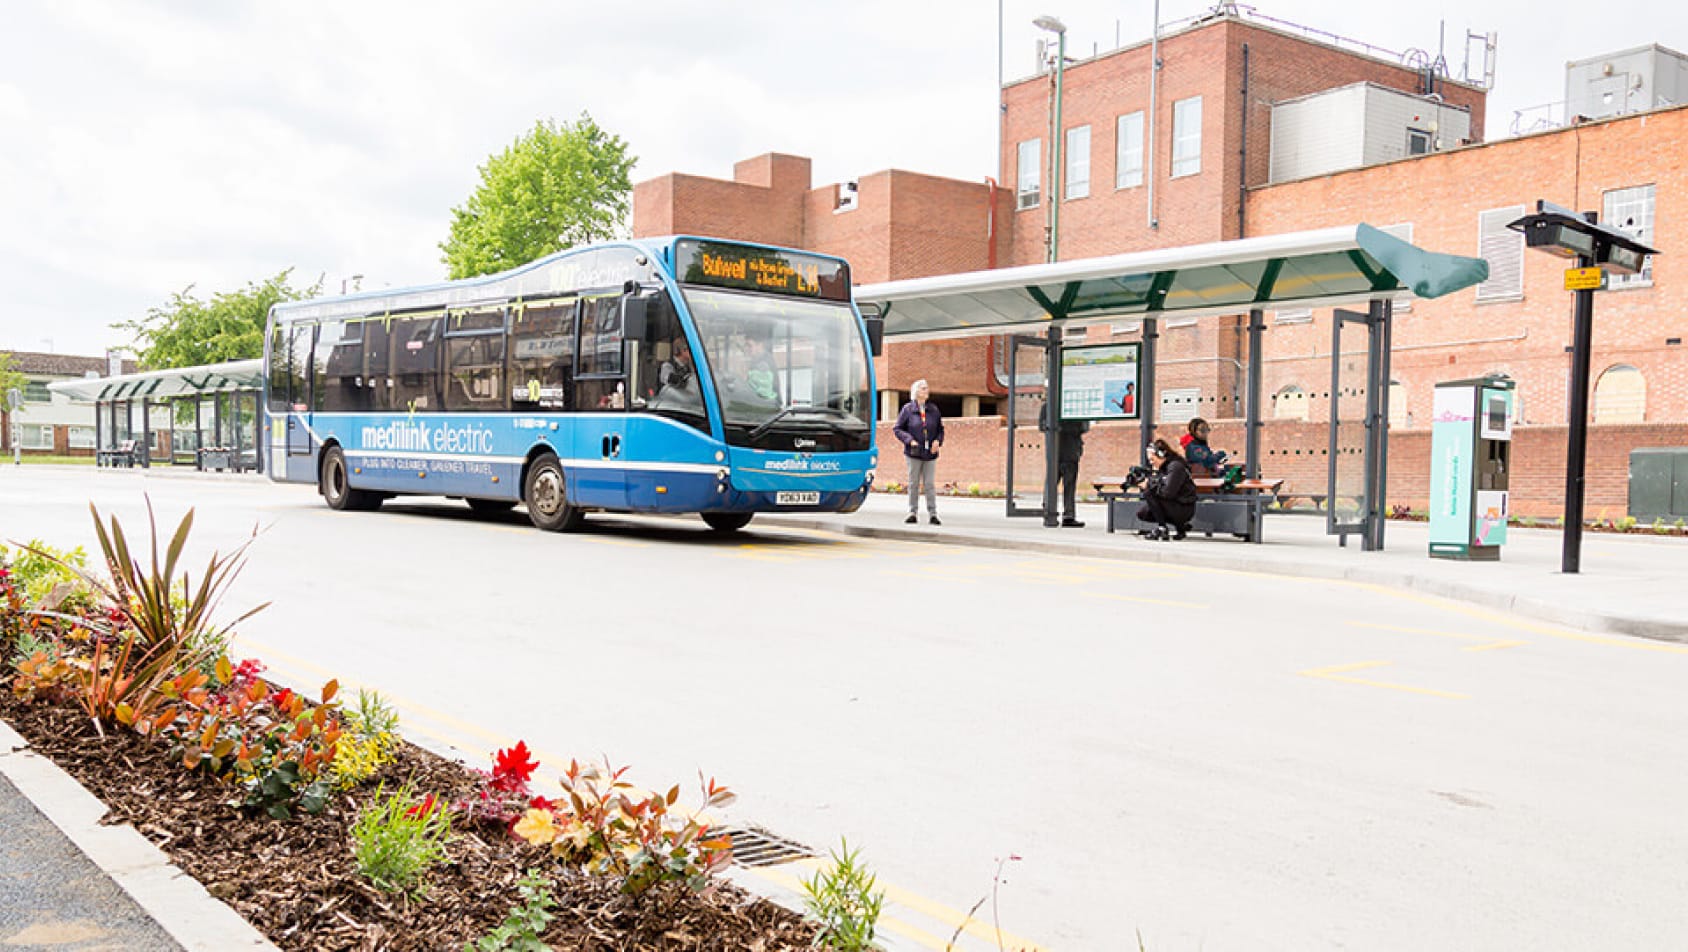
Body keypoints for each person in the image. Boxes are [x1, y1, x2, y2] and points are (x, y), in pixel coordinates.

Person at [892, 380, 943, 525]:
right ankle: (912, 512)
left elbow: (940, 429)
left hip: (930, 453)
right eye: (923, 388)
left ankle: (933, 514)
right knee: (913, 483)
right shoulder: (908, 409)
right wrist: (910, 440)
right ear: (916, 392)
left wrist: (937, 441)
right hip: (914, 452)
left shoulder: (933, 409)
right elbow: (897, 429)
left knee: (929, 484)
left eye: (927, 388)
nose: (927, 390)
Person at [1039, 397, 1089, 527]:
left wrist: (1058, 427)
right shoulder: (1072, 407)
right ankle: (1063, 514)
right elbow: (1083, 427)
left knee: (1055, 484)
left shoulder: (1048, 407)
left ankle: (1052, 512)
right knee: (1065, 486)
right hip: (1066, 452)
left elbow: (1042, 426)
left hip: (1059, 452)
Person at [1136, 437, 1198, 540]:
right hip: (1177, 504)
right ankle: (1180, 527)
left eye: (1152, 459)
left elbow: (1168, 493)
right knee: (1143, 513)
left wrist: (1149, 484)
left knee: (1149, 492)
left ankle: (1162, 528)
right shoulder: (1165, 468)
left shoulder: (1175, 467)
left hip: (1184, 508)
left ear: (1161, 455)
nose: (1151, 462)